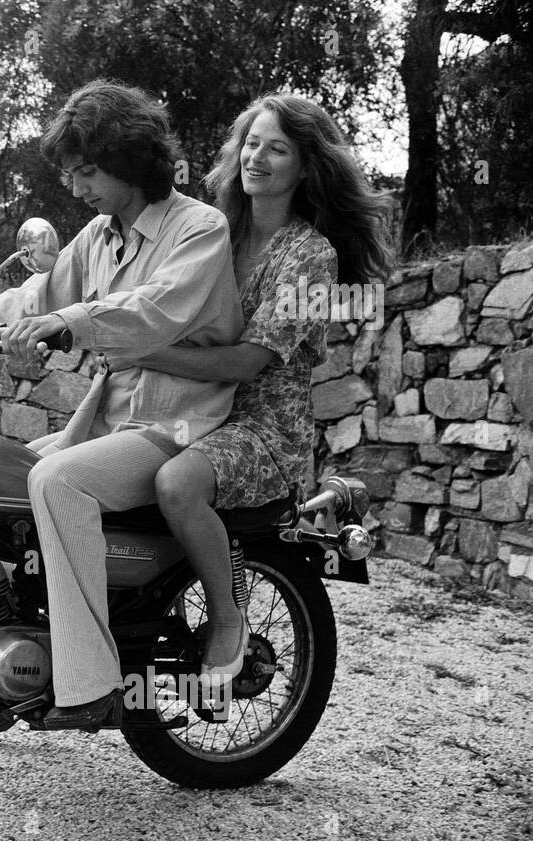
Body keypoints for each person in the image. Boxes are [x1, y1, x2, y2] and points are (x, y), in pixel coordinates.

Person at [0, 80, 246, 733]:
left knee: (54, 478)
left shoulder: (199, 229)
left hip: (177, 419)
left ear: (129, 157)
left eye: (87, 171)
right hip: (110, 416)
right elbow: (35, 295)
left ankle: (89, 685)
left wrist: (66, 323)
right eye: (69, 175)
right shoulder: (99, 236)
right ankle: (15, 674)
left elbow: (155, 311)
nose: (75, 188)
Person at [137, 94, 394, 693]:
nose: (258, 157)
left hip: (261, 431)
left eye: (277, 148)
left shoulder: (310, 255)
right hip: (189, 409)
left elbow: (251, 363)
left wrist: (143, 351)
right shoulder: (214, 232)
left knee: (176, 484)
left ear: (306, 166)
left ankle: (227, 616)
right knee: (50, 473)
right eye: (251, 143)